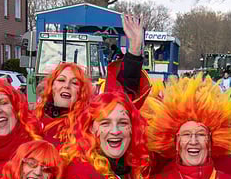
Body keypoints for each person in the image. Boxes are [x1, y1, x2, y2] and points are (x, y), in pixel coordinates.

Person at [36, 14, 148, 145]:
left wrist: (134, 49)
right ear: (51, 87)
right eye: (61, 80)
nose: (66, 86)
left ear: (81, 91)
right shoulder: (33, 122)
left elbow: (120, 98)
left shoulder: (89, 122)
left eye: (74, 83)